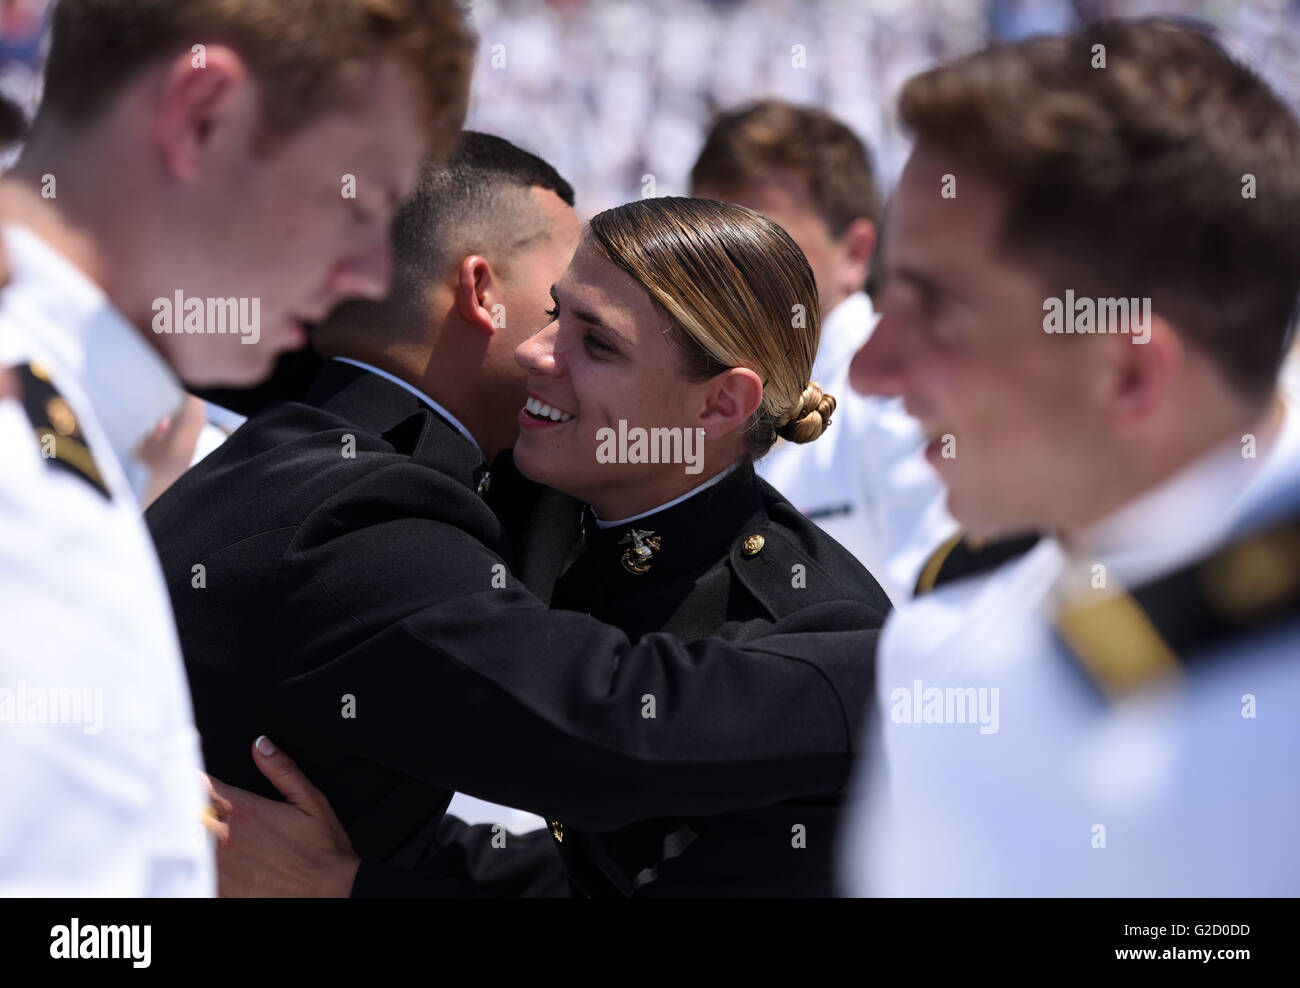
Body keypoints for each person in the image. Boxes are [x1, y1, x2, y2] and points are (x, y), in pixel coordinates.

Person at [153, 196, 889, 897]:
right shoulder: (554, 492)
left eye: (597, 343)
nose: (535, 353)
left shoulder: (810, 627)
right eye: (554, 313)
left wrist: (342, 887)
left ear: (720, 404)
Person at [0, 0, 474, 896]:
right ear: (203, 117)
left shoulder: (62, 430)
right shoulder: (28, 484)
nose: (371, 273)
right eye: (355, 203)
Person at [837, 18, 1300, 896]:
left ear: (1127, 373)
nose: (870, 372)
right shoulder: (951, 652)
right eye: (887, 296)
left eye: (937, 309)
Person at [690, 100, 954, 601]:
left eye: (763, 245)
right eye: (704, 248)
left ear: (855, 253)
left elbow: (942, 608)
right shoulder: (677, 388)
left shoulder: (902, 397)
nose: (727, 275)